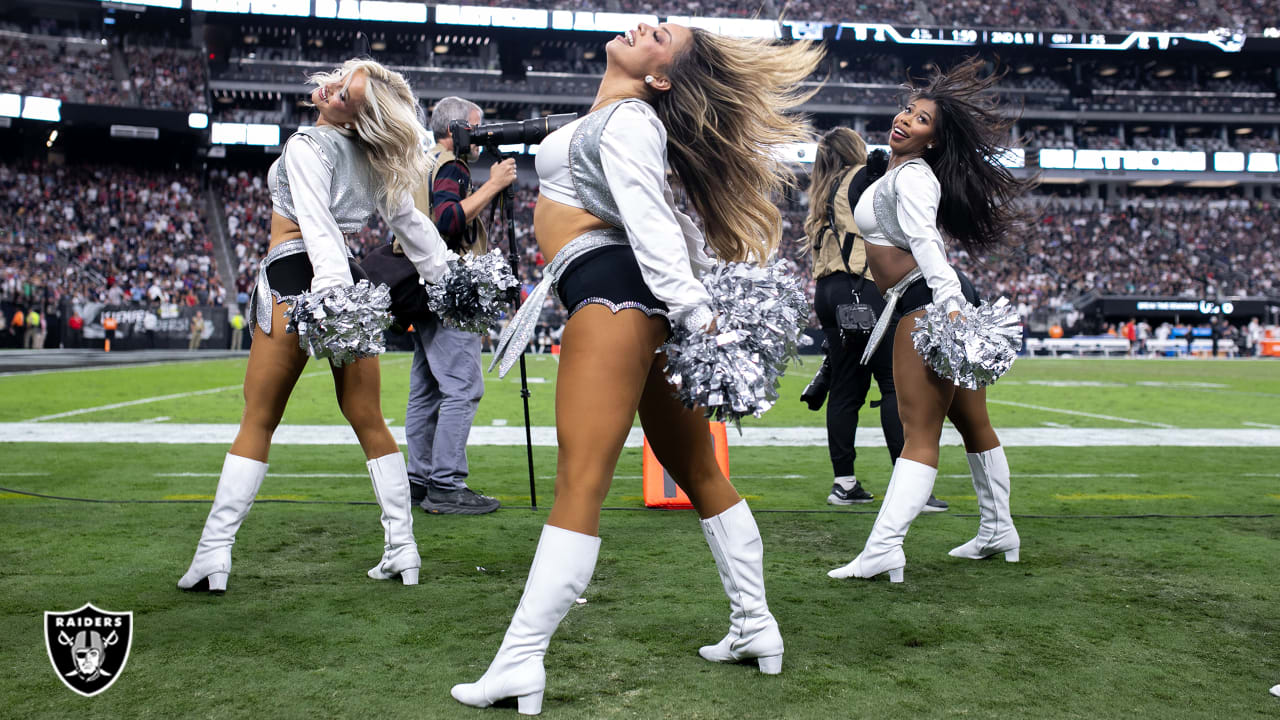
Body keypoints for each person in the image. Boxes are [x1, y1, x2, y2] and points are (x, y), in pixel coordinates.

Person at [451, 23, 822, 714]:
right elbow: (662, 218)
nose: (644, 23)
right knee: (700, 473)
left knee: (580, 483)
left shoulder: (630, 121)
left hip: (611, 294)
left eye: (660, 36)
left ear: (660, 78)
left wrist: (699, 313)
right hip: (625, 292)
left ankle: (520, 662)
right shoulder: (614, 116)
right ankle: (755, 625)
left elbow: (650, 220)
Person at [177, 58, 452, 594]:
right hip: (347, 278)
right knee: (369, 417)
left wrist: (328, 292)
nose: (330, 89)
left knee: (259, 417)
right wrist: (448, 278)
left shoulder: (307, 144)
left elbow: (317, 224)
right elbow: (413, 227)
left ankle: (213, 554)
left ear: (356, 117)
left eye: (345, 95)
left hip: (300, 273)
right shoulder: (374, 158)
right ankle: (403, 548)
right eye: (340, 80)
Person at [828, 57, 1036, 583]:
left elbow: (926, 240)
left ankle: (884, 548)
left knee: (919, 432)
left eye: (921, 119)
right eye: (907, 110)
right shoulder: (897, 172)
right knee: (972, 422)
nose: (905, 119)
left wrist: (949, 304)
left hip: (927, 301)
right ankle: (998, 530)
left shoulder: (915, 176)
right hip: (929, 298)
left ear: (934, 140)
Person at [803, 128, 946, 512]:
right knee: (893, 384)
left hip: (828, 292)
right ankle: (909, 486)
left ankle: (844, 483)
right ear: (856, 149)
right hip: (861, 288)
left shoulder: (822, 189)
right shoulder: (864, 176)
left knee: (845, 389)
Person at [400, 96, 516, 515]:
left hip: (420, 285)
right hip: (449, 285)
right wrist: (494, 185)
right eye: (476, 127)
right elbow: (447, 220)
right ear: (456, 131)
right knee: (462, 388)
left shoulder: (424, 160)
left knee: (427, 389)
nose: (481, 136)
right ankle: (446, 485)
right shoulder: (451, 165)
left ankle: (418, 479)